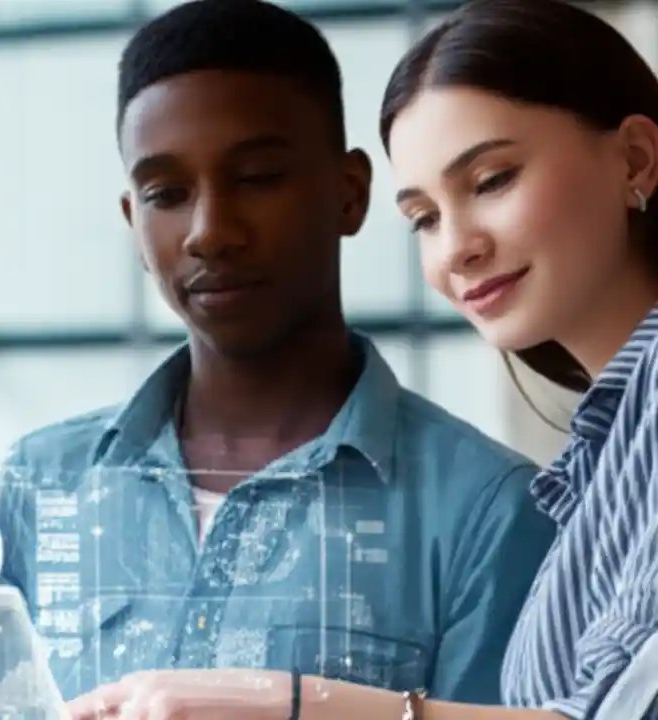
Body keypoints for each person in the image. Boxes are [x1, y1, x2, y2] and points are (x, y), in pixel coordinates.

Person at [65, 0, 658, 718]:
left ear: (635, 157)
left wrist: (290, 703)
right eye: (425, 217)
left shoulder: (493, 501)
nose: (456, 247)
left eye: (492, 180)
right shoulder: (598, 459)